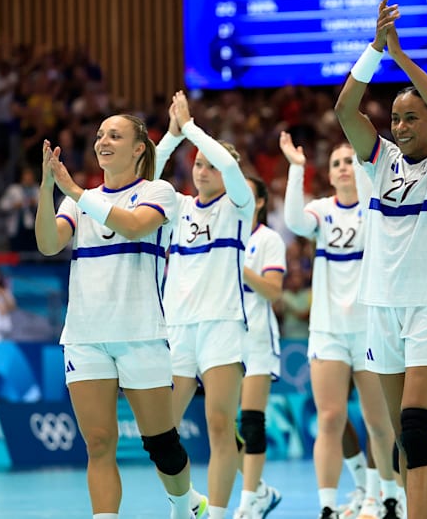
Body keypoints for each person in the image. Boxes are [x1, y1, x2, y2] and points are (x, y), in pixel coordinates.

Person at [334, 0, 427, 519]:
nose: (400, 125)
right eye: (395, 117)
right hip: (382, 307)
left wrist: (402, 55)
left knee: (417, 428)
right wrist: (375, 49)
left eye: (411, 117)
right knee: (403, 436)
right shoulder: (378, 162)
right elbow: (345, 109)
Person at [35, 114, 201, 519]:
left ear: (139, 148)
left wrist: (74, 189)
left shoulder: (157, 192)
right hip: (85, 336)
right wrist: (47, 187)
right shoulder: (79, 201)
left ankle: (186, 505)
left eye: (115, 135)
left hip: (140, 333)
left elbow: (132, 226)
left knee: (161, 443)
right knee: (98, 442)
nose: (103, 141)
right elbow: (46, 243)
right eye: (99, 135)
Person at [280, 133, 398, 519]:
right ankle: (328, 505)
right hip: (329, 331)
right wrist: (297, 169)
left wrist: (366, 163)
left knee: (378, 421)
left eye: (350, 161)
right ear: (329, 176)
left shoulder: (374, 209)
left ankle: (385, 495)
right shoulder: (321, 211)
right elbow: (295, 222)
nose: (344, 168)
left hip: (369, 329)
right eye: (336, 164)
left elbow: (373, 196)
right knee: (330, 417)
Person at [154, 91, 254, 519]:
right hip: (177, 328)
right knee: (161, 431)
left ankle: (215, 514)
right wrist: (173, 136)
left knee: (218, 426)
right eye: (198, 164)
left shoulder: (238, 205)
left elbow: (230, 166)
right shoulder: (176, 207)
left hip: (222, 325)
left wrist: (192, 129)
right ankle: (184, 501)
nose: (205, 170)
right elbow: (146, 175)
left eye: (210, 164)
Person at [234, 174, 285, 519]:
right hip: (222, 338)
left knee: (251, 422)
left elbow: (273, 290)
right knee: (222, 426)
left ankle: (248, 502)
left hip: (258, 340)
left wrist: (239, 266)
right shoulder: (221, 234)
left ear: (262, 202)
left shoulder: (267, 239)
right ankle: (262, 491)